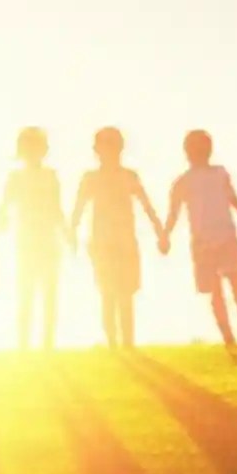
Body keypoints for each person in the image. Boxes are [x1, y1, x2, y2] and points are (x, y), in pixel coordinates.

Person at [160, 130, 237, 346]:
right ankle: (230, 336)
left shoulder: (219, 174)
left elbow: (235, 204)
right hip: (205, 242)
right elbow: (174, 213)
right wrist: (165, 235)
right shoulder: (183, 182)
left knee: (236, 286)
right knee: (218, 290)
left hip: (223, 237)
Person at [69, 127, 162, 349]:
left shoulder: (129, 176)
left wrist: (160, 231)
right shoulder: (90, 179)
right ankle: (112, 342)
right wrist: (71, 233)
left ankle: (127, 342)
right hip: (101, 243)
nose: (109, 152)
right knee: (108, 294)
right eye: (105, 147)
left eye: (113, 147)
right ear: (97, 150)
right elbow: (78, 208)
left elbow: (146, 205)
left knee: (126, 294)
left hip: (125, 241)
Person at [2, 127, 69, 351]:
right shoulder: (15, 178)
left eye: (36, 148)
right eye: (28, 148)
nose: (32, 153)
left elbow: (57, 207)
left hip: (48, 240)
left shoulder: (51, 176)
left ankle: (47, 341)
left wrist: (66, 231)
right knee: (26, 292)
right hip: (26, 242)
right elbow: (4, 206)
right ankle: (23, 343)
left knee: (49, 291)